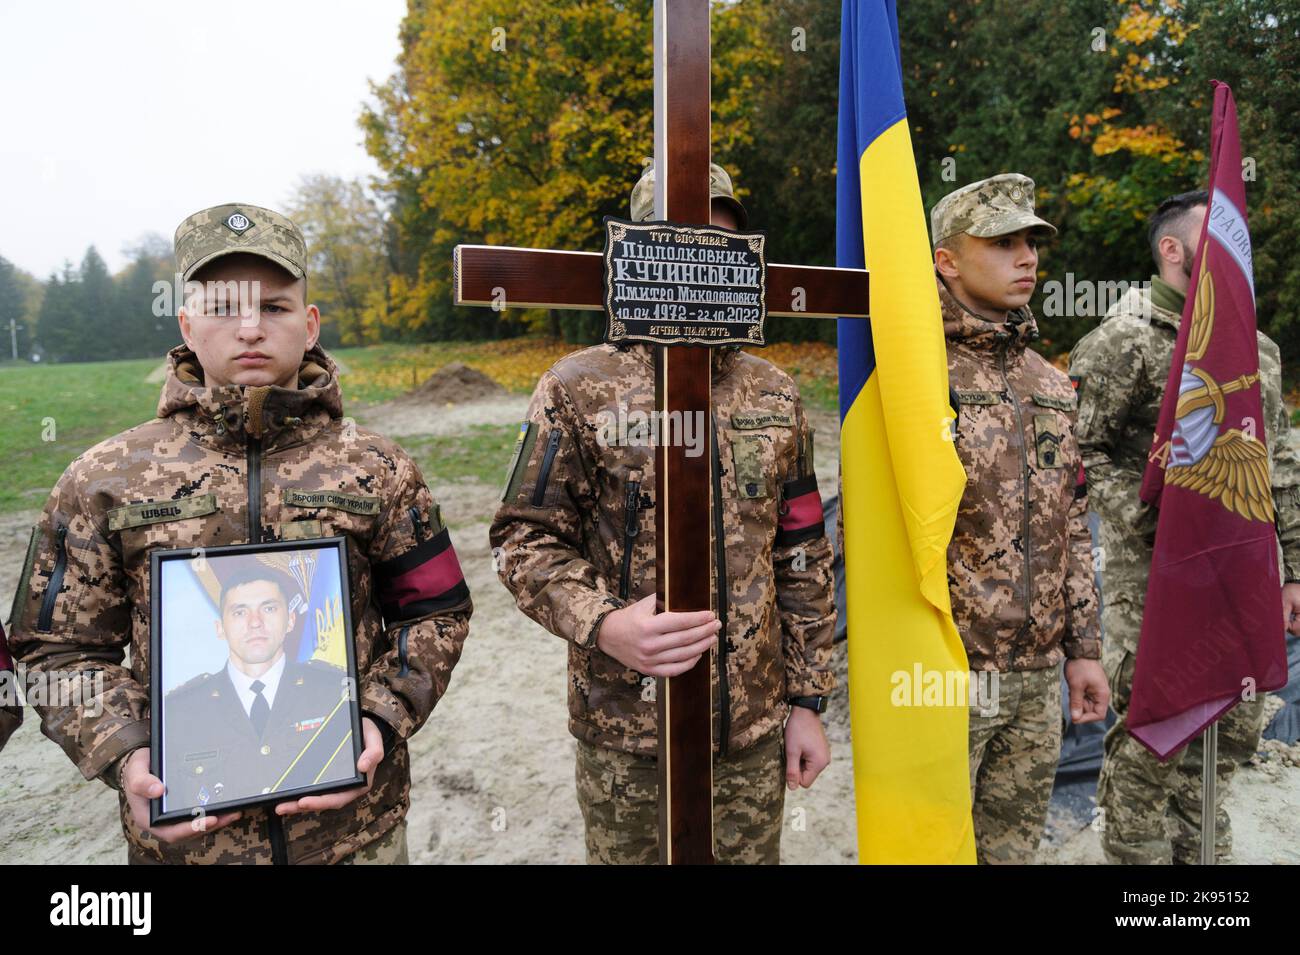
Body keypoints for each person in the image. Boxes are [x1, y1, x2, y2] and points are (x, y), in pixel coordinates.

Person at [9, 202, 473, 864]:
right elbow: (55, 648)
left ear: (310, 325)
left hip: (355, 837)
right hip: (190, 848)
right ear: (187, 324)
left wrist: (376, 718)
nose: (251, 327)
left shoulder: (379, 467)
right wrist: (126, 747)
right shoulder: (104, 478)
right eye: (224, 306)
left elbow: (437, 611)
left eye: (276, 307)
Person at [489, 161, 836, 864]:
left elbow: (801, 551)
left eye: (723, 242)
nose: (703, 263)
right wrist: (604, 622)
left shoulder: (773, 393)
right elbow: (523, 540)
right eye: (681, 242)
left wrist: (806, 701)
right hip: (628, 734)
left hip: (752, 730)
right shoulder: (578, 389)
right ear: (635, 255)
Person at [1071, 189, 1300, 864]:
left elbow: (1279, 461)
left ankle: (1205, 871)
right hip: (1154, 576)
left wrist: (1294, 568)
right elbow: (1085, 450)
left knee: (1229, 731)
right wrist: (1150, 518)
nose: (1237, 246)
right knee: (1152, 733)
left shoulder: (1255, 349)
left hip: (1237, 574)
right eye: (1216, 234)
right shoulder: (1122, 339)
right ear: (1172, 249)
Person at [931, 173, 1109, 863]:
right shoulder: (915, 374)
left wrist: (1083, 651)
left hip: (1036, 679)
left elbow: (1072, 522)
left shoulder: (1049, 382)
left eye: (1031, 241)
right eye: (1003, 242)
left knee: (1010, 856)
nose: (1027, 257)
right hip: (944, 675)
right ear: (947, 258)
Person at [162, 565, 356, 813]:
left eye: (269, 608)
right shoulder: (180, 713)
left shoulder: (334, 691)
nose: (255, 623)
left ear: (291, 620)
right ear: (220, 628)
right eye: (240, 612)